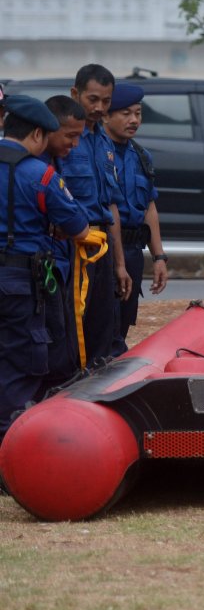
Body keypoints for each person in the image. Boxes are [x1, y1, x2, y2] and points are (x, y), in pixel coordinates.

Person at [0, 96, 89, 439]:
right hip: (20, 282)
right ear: (38, 134)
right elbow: (79, 227)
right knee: (22, 362)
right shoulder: (40, 174)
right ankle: (9, 449)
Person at [66, 64, 132, 367]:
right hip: (73, 246)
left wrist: (120, 264)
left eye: (106, 101)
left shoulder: (104, 142)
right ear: (75, 93)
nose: (99, 108)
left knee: (105, 330)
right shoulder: (63, 138)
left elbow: (112, 207)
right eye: (92, 99)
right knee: (73, 330)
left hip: (103, 245)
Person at [106, 83, 169, 355]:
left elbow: (149, 207)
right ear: (106, 115)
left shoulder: (141, 155)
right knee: (102, 328)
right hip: (105, 252)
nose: (134, 120)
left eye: (138, 113)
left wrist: (159, 257)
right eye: (125, 113)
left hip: (133, 251)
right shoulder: (96, 153)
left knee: (122, 325)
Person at [40, 96, 86, 394]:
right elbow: (76, 222)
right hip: (41, 268)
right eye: (70, 136)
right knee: (48, 345)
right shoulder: (36, 169)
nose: (74, 145)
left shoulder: (55, 161)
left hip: (62, 261)